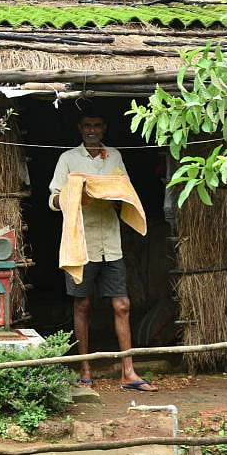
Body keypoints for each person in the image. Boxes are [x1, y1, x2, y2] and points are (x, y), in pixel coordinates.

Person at [49, 114, 157, 392]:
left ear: (104, 128)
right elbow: (53, 199)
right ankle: (85, 369)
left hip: (111, 243)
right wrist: (75, 196)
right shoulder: (68, 159)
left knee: (122, 305)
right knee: (82, 305)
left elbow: (125, 191)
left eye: (97, 126)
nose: (92, 130)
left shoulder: (115, 157)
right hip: (80, 242)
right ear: (79, 128)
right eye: (87, 126)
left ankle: (128, 371)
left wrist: (114, 194)